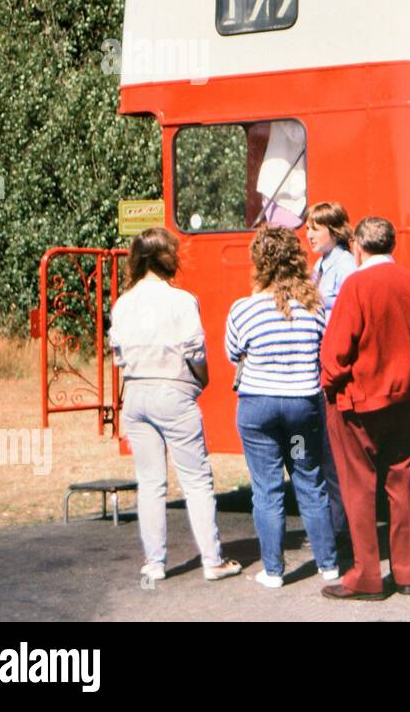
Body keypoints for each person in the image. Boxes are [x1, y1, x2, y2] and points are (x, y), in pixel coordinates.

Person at [320, 217, 410, 600]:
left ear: (359, 247)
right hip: (405, 400)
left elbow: (335, 352)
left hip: (358, 401)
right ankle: (407, 572)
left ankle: (367, 574)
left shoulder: (356, 284)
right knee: (401, 484)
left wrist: (333, 383)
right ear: (391, 245)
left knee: (359, 488)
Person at [108, 227, 241, 583]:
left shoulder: (123, 303)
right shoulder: (181, 301)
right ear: (170, 258)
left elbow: (117, 354)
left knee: (150, 482)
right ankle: (212, 559)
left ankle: (155, 562)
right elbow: (195, 349)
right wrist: (201, 378)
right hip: (174, 392)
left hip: (136, 393)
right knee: (196, 479)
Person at [225, 224, 339, 589]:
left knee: (267, 488)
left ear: (258, 262)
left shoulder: (243, 308)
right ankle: (329, 564)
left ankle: (273, 570)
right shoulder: (314, 307)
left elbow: (233, 353)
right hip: (301, 407)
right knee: (310, 481)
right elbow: (326, 350)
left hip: (258, 408)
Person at [306, 200, 355, 535]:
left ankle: (342, 530)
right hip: (321, 363)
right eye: (308, 227)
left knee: (336, 454)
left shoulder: (345, 265)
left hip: (337, 365)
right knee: (326, 452)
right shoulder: (320, 265)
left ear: (333, 230)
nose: (308, 234)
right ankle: (336, 525)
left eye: (315, 228)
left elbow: (347, 315)